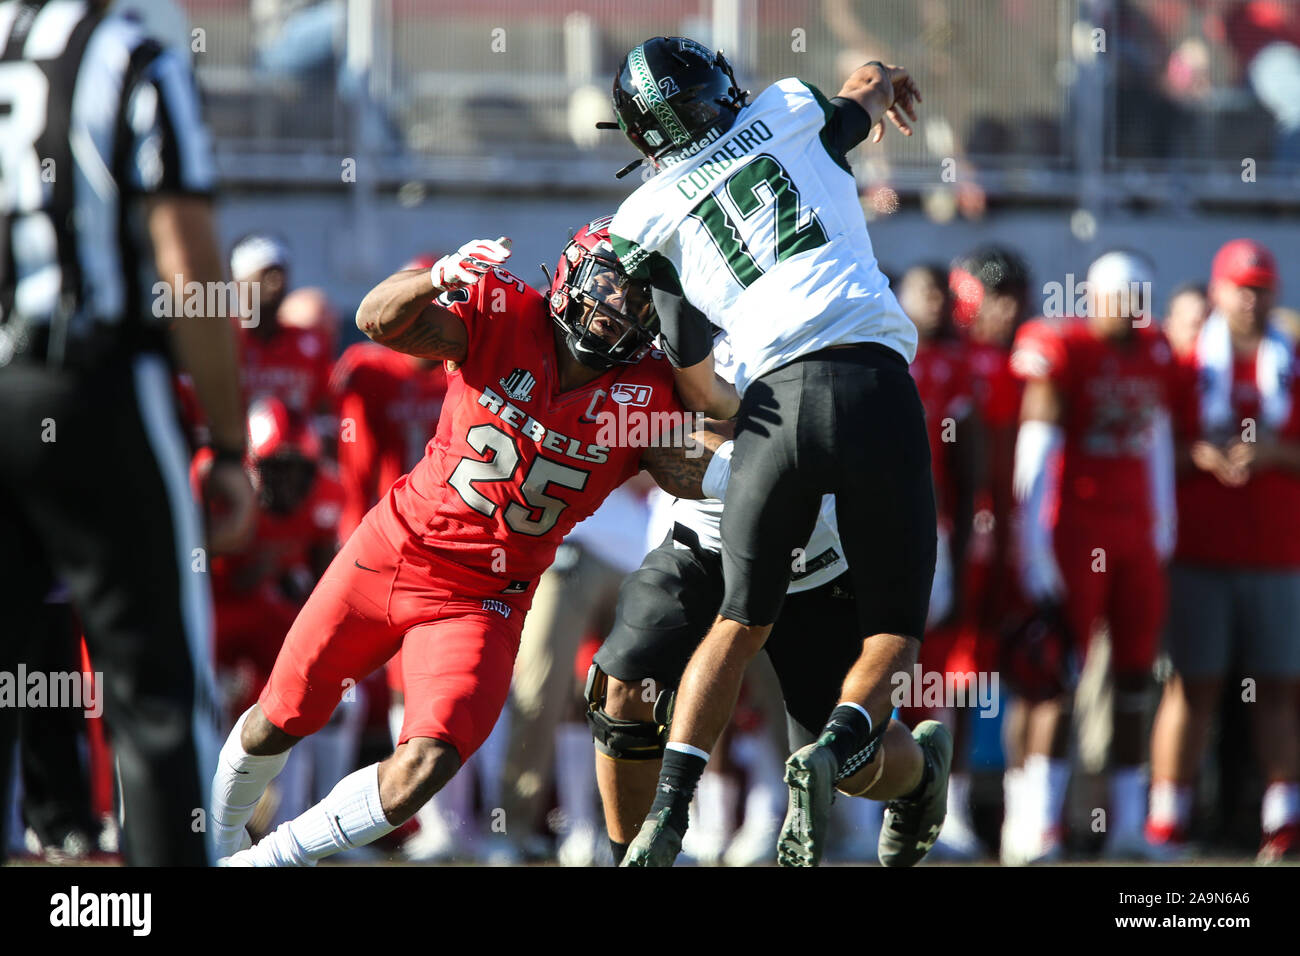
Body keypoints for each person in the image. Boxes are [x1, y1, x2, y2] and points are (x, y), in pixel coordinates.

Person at [209, 220, 726, 866]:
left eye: (637, 299)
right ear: (569, 274)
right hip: (395, 548)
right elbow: (376, 319)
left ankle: (268, 860)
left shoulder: (646, 391)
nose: (616, 306)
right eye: (609, 284)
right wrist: (436, 278)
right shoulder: (506, 313)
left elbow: (711, 463)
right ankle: (216, 840)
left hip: (485, 600)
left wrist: (738, 426)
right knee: (278, 719)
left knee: (424, 763)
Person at [602, 36, 945, 867]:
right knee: (890, 639)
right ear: (721, 88)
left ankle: (677, 813)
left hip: (773, 422)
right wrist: (883, 79)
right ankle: (807, 764)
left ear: (643, 138)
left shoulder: (643, 222)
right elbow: (863, 87)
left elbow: (694, 381)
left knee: (744, 624)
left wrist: (726, 425)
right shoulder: (789, 110)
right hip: (865, 392)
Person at [0, 0, 255, 864]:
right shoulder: (128, 51)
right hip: (91, 386)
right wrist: (226, 439)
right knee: (154, 695)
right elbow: (189, 265)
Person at [1008, 250, 1179, 862]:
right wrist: (1032, 544)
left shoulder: (1156, 350)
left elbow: (1156, 435)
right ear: (1093, 297)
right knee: (1055, 675)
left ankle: (1129, 827)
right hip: (1076, 531)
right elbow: (1038, 449)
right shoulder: (1066, 347)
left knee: (1135, 678)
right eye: (1121, 297)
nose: (1132, 311)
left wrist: (1165, 521)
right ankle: (1038, 826)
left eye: (1141, 297)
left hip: (1135, 529)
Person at [1147, 239, 1300, 863]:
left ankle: (1281, 819)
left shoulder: (1291, 364)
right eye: (1241, 286)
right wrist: (1198, 456)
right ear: (1217, 290)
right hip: (1200, 551)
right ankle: (1165, 818)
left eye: (1261, 287)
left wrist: (1273, 455)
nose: (1251, 297)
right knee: (1192, 687)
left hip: (1277, 553)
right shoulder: (1185, 367)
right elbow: (1153, 450)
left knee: (1278, 690)